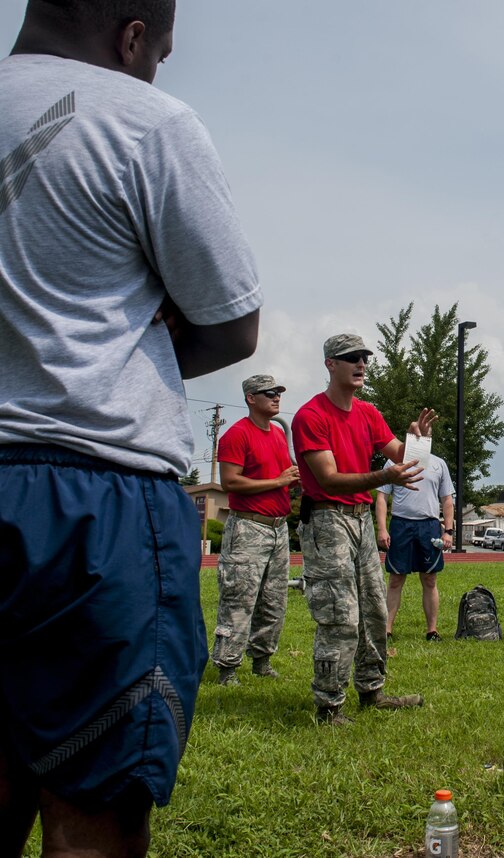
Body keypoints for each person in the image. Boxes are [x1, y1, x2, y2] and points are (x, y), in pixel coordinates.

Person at [0, 0, 261, 851]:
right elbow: (231, 324)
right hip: (95, 493)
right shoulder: (147, 121)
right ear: (134, 36)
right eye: (161, 53)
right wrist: (120, 342)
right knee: (93, 818)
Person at [292, 334, 431, 725]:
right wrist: (383, 477)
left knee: (373, 608)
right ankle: (329, 706)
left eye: (365, 357)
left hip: (360, 518)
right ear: (330, 364)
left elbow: (403, 457)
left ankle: (373, 692)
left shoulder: (368, 412)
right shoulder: (310, 416)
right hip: (327, 518)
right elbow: (329, 478)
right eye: (351, 357)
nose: (361, 364)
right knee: (340, 613)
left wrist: (418, 441)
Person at [211, 375, 299, 686]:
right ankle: (227, 668)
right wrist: (278, 481)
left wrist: (293, 481)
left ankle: (262, 660)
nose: (276, 397)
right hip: (248, 526)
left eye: (278, 392)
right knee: (239, 598)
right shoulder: (237, 434)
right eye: (269, 393)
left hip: (278, 528)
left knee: (274, 599)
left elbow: (283, 476)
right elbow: (230, 482)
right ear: (251, 398)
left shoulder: (278, 434)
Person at [374, 446, 455, 642]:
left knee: (429, 579)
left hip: (429, 526)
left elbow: (446, 499)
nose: (421, 437)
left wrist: (448, 531)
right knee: (395, 579)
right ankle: (386, 630)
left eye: (426, 433)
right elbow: (382, 498)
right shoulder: (393, 462)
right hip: (401, 525)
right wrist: (382, 529)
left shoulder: (439, 463)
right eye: (416, 433)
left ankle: (432, 630)